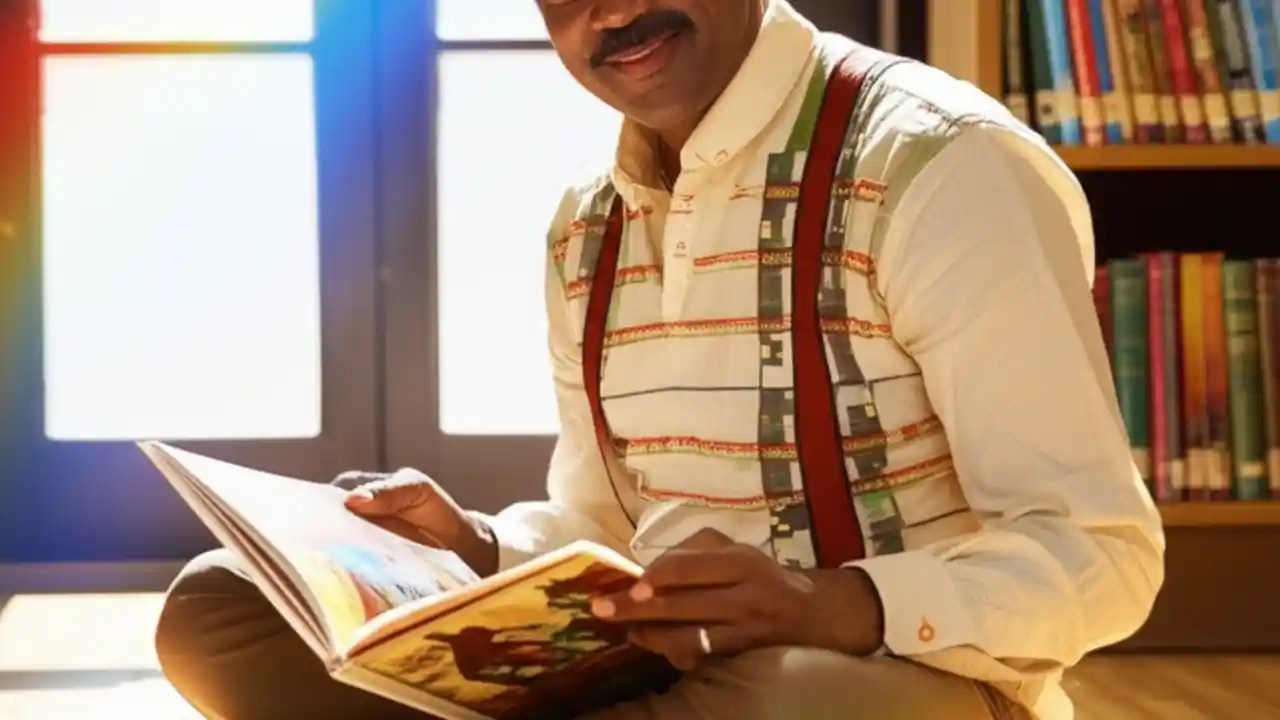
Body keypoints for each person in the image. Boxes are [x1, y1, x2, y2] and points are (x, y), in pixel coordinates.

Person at [154, 1, 1166, 718]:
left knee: (782, 698)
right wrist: (472, 546)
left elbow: (1100, 554)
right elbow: (602, 527)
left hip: (890, 682)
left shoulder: (940, 166)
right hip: (655, 668)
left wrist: (834, 602)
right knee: (219, 610)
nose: (613, 11)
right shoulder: (583, 226)